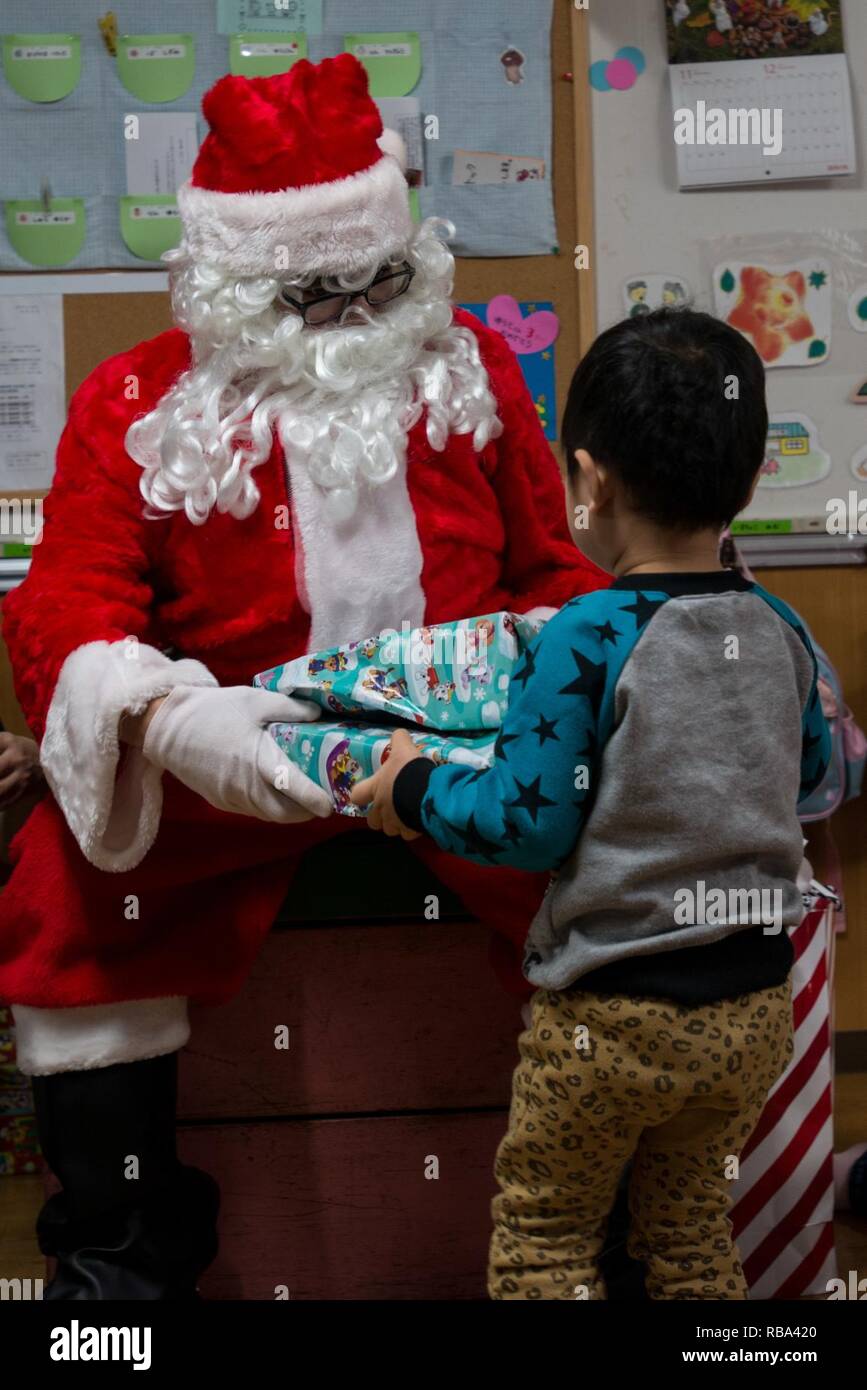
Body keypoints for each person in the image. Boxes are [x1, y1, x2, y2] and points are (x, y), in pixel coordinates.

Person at [0, 55, 605, 1300]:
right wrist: (171, 715)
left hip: (460, 754)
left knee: (643, 852)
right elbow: (66, 603)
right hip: (234, 758)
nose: (358, 316)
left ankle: (619, 1215)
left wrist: (642, 665)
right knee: (67, 893)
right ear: (229, 283)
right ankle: (123, 1259)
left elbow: (549, 569)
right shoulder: (136, 402)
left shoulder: (474, 369)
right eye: (312, 292)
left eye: (383, 280)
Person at [352, 307, 832, 1300]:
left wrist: (411, 785)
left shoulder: (586, 633)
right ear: (746, 479)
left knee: (546, 1238)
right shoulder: (779, 625)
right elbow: (815, 775)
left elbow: (528, 822)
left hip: (613, 1019)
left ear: (590, 479)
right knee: (692, 1234)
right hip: (749, 1010)